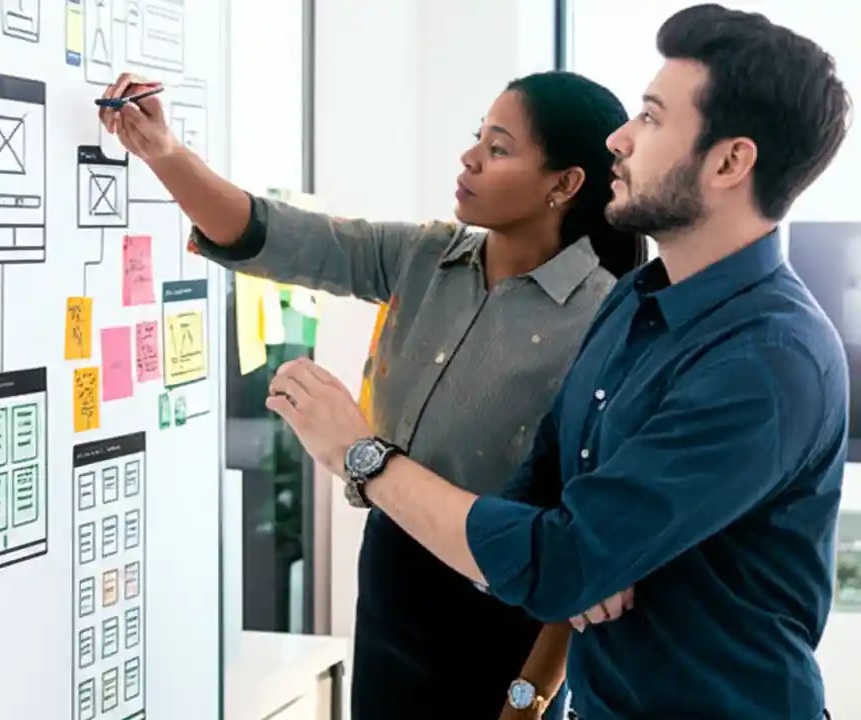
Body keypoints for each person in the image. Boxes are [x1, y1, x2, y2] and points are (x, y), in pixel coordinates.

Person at [259, 4, 851, 718]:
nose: (620, 140)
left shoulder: (768, 360)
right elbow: (544, 500)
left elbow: (561, 561)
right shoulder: (639, 300)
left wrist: (361, 454)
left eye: (653, 119)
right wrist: (571, 566)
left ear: (730, 161)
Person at [101, 70, 647, 717]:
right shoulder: (423, 256)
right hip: (391, 584)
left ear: (564, 183)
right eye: (478, 138)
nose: (469, 158)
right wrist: (164, 151)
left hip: (503, 619)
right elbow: (273, 234)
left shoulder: (607, 319)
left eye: (499, 148)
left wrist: (530, 697)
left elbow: (585, 544)